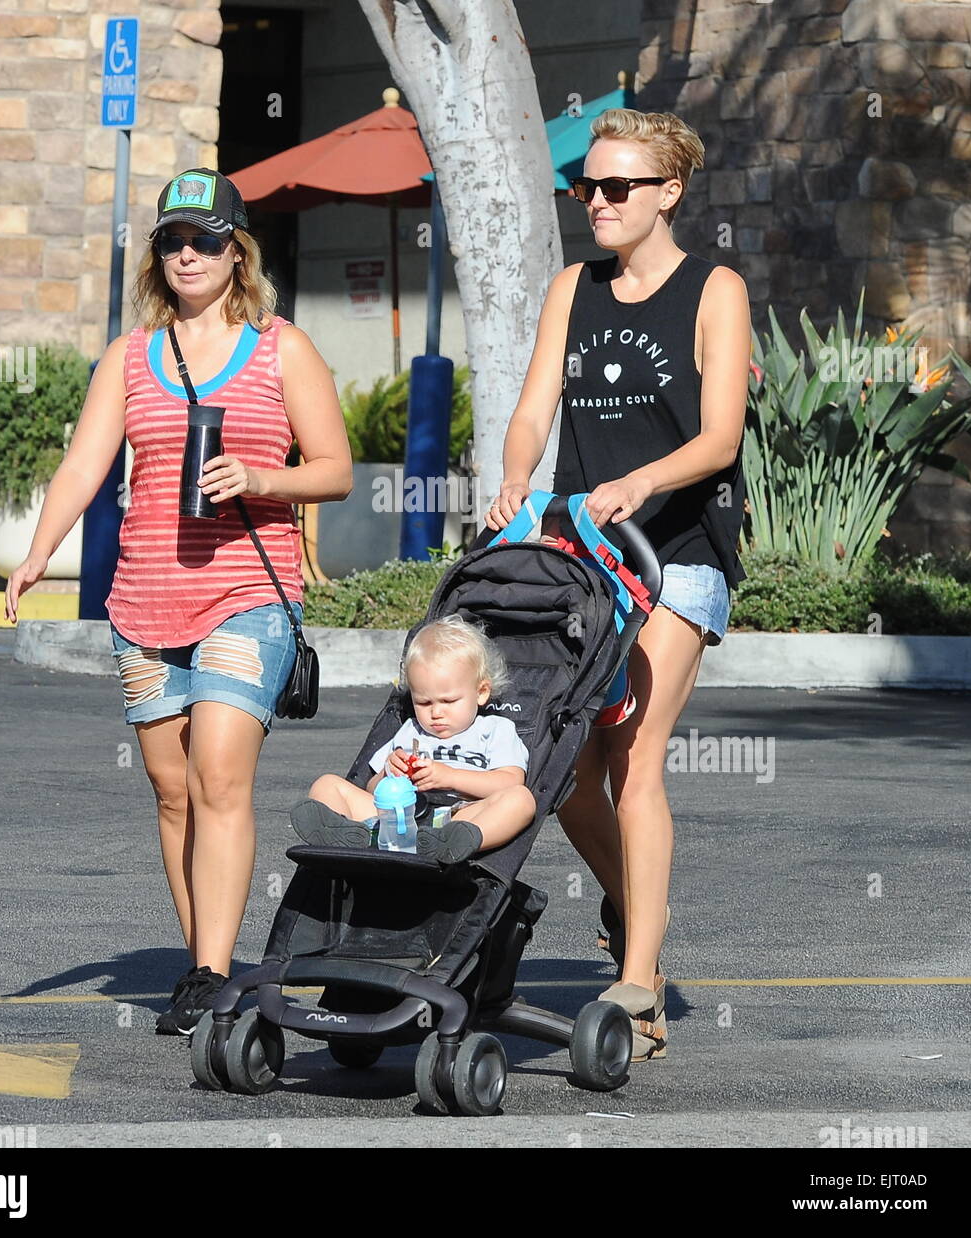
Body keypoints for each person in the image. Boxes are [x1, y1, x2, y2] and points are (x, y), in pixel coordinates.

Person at [4, 168, 352, 1035]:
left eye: (206, 239)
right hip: (144, 599)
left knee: (219, 775)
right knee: (171, 791)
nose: (189, 254)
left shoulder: (282, 348)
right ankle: (208, 950)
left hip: (246, 593)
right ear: (158, 255)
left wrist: (260, 477)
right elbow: (86, 464)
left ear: (238, 252)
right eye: (173, 240)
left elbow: (336, 471)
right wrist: (39, 553)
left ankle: (205, 974)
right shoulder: (129, 358)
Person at [485, 110, 751, 1061]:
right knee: (561, 775)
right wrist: (516, 477)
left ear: (668, 193)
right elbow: (531, 410)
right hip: (584, 552)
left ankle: (636, 985)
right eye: (585, 188)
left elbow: (720, 435)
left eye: (616, 188)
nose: (594, 202)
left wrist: (641, 481)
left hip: (676, 549)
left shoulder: (712, 289)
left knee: (635, 757)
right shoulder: (573, 287)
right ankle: (634, 899)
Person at [290, 616, 535, 862]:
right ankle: (358, 835)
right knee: (326, 784)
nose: (436, 712)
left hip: (458, 817)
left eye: (449, 701)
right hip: (396, 817)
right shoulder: (411, 730)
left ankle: (444, 843)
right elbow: (371, 788)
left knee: (521, 801)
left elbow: (509, 782)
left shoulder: (494, 729)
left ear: (481, 692)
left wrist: (449, 777)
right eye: (423, 702)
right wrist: (388, 774)